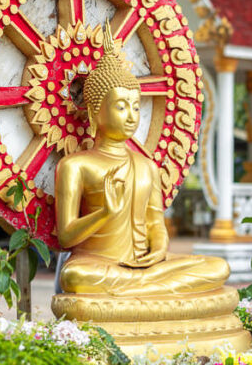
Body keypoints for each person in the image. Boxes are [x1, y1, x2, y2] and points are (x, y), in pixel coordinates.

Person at [54, 37, 230, 295]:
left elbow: (155, 223)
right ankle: (149, 293)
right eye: (121, 106)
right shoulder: (76, 166)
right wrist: (104, 213)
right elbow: (66, 237)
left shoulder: (146, 166)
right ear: (94, 113)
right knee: (75, 277)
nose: (131, 116)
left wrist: (158, 250)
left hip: (147, 266)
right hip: (97, 265)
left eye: (136, 107)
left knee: (217, 267)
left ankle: (136, 291)